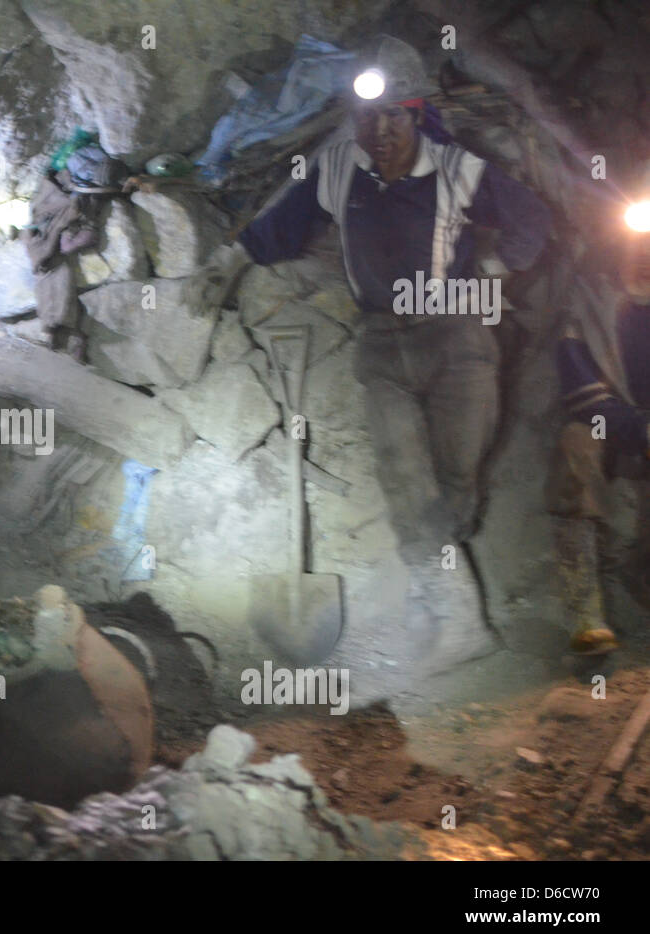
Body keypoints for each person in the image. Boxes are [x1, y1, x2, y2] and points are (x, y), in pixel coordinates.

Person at [232, 35, 552, 670]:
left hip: (458, 337)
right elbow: (277, 229)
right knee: (404, 476)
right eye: (365, 117)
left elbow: (532, 222)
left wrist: (491, 269)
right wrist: (225, 262)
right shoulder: (335, 167)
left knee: (456, 483)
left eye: (392, 116)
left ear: (417, 113)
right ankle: (457, 614)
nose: (378, 130)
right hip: (383, 342)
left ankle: (443, 580)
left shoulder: (458, 168)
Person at [546, 162, 650, 654]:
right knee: (575, 446)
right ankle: (586, 612)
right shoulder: (592, 289)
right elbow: (578, 382)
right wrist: (639, 430)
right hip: (615, 421)